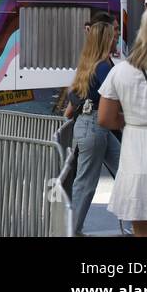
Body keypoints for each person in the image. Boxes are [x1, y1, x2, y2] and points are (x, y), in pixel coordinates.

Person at [98, 3, 147, 237]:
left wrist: (128, 119)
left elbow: (105, 118)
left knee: (141, 232)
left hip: (133, 156)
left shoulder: (120, 71)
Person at [64, 20, 120, 235]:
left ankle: (72, 228)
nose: (115, 37)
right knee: (86, 183)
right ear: (105, 39)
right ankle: (71, 230)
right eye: (112, 34)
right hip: (96, 127)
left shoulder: (89, 63)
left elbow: (73, 99)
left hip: (90, 126)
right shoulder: (104, 67)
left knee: (123, 170)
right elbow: (115, 95)